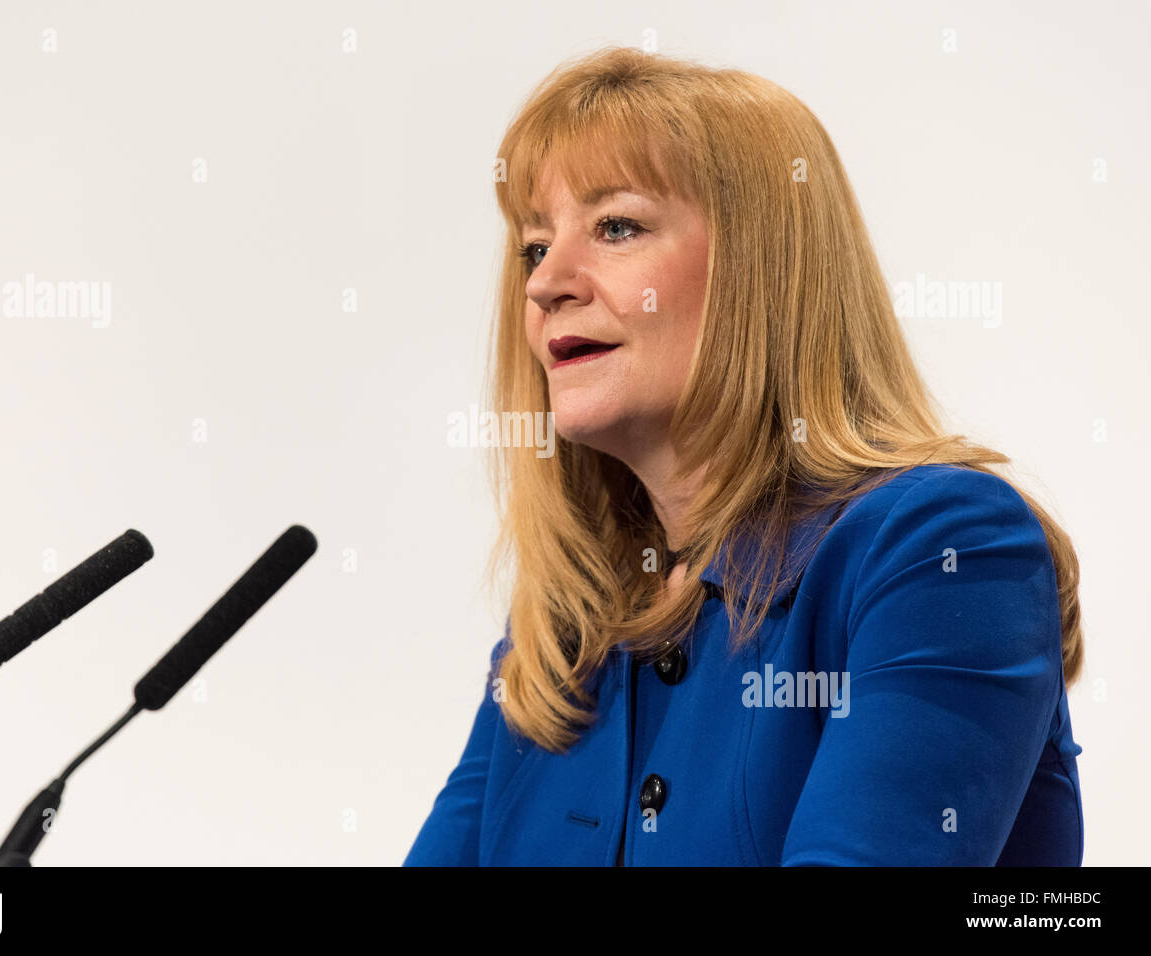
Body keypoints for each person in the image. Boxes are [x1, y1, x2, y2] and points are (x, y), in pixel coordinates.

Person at [404, 46, 1083, 866]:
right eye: (534, 248)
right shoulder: (557, 635)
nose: (549, 282)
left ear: (763, 268)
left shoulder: (939, 548)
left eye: (616, 226)